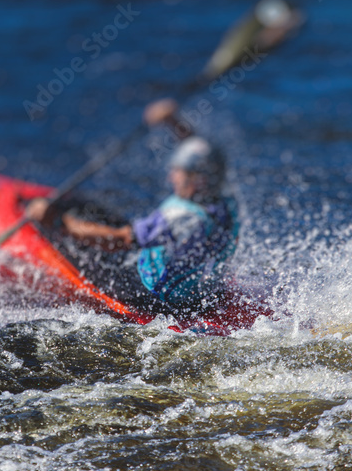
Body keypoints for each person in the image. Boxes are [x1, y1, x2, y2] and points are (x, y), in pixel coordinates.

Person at [24, 98, 239, 315]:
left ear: (196, 179)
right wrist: (173, 122)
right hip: (197, 295)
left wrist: (59, 222)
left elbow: (118, 241)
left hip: (148, 296)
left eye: (178, 171)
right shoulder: (224, 196)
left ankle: (49, 223)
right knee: (93, 210)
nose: (171, 176)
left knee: (74, 238)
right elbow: (203, 153)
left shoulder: (180, 216)